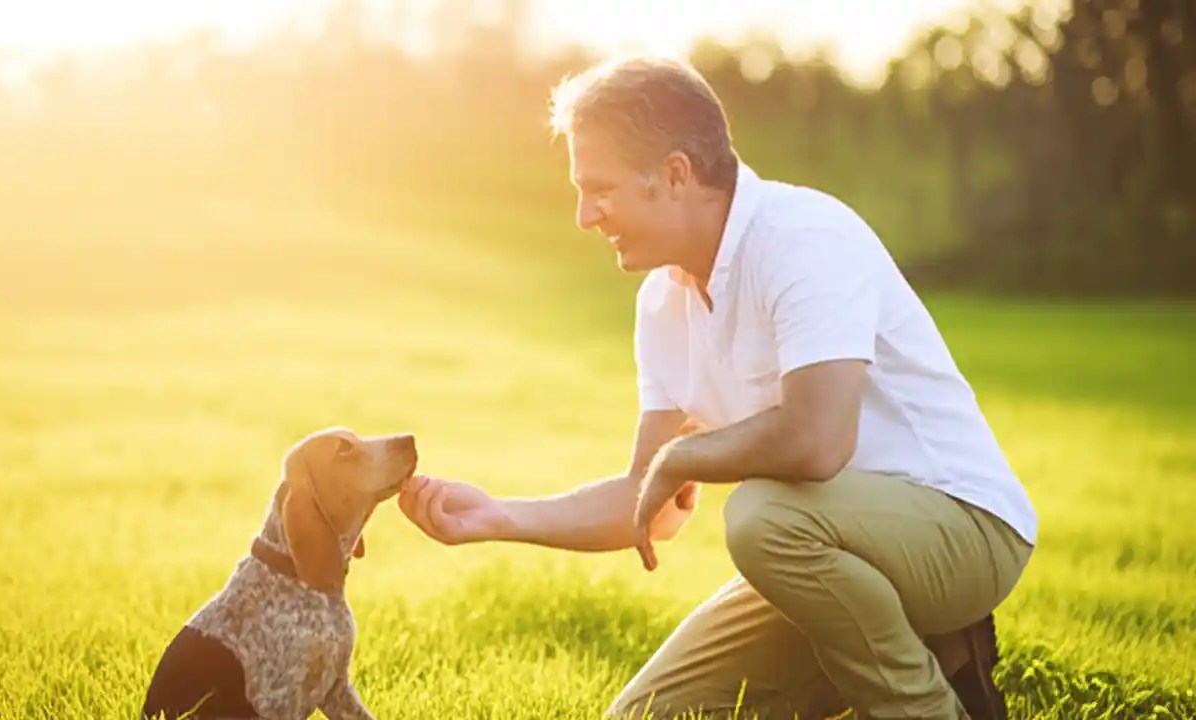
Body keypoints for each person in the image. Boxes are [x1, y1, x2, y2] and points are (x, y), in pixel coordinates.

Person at [398, 55, 1037, 720]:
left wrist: (686, 456)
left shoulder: (802, 239)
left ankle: (932, 702)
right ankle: (912, 652)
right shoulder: (661, 304)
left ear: (675, 175)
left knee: (759, 516)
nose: (585, 215)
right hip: (826, 554)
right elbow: (651, 501)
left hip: (964, 532)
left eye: (600, 189)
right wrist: (498, 517)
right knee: (643, 716)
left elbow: (818, 442)